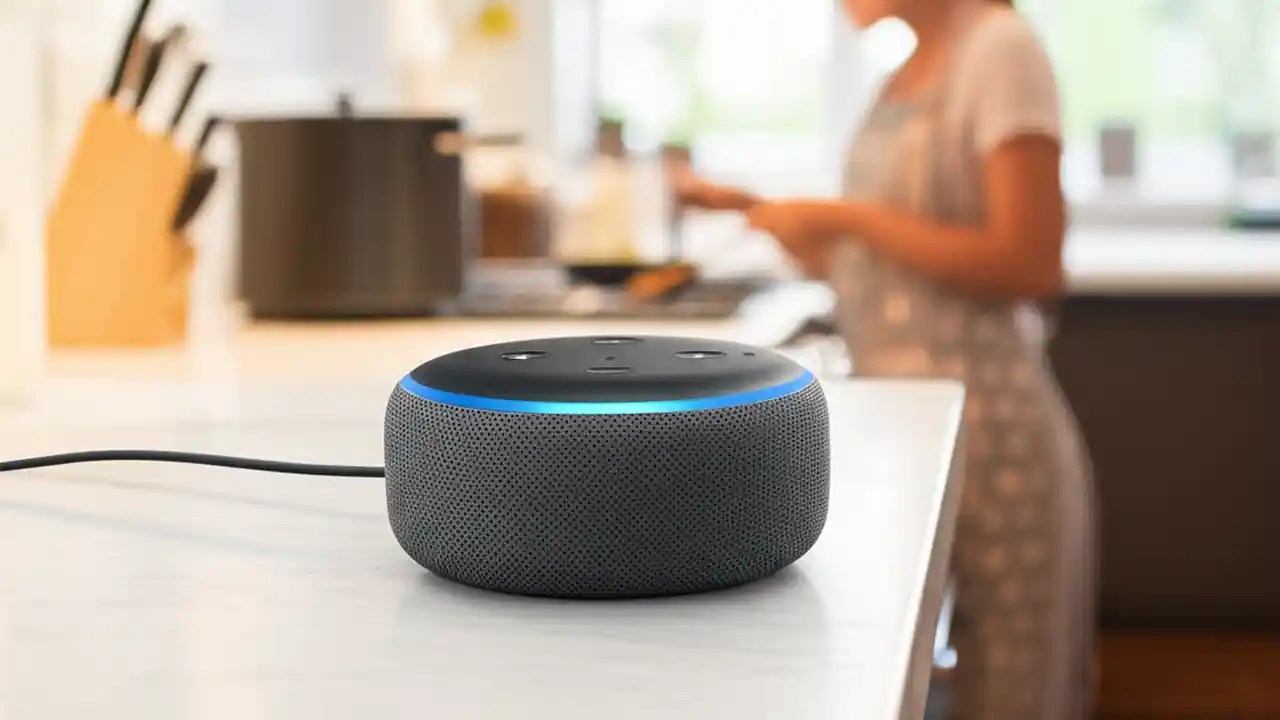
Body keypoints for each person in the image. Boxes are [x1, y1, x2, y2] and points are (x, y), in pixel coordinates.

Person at [678, 0, 1095, 717]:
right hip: (909, 437)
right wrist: (771, 214)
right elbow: (892, 271)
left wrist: (849, 219)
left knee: (1010, 686)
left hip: (991, 434)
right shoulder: (903, 73)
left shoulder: (1001, 51)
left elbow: (1031, 260)